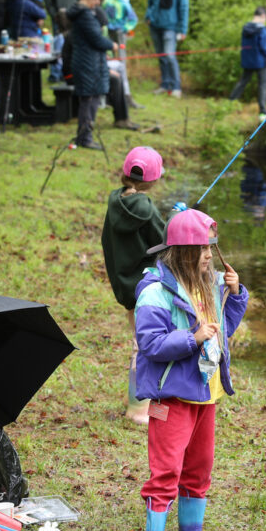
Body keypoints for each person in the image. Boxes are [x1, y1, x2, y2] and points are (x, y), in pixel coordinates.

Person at [133, 208, 249, 531]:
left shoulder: (209, 285)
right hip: (172, 397)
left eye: (211, 249)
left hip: (206, 393)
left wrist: (236, 295)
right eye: (203, 250)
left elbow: (222, 332)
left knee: (199, 467)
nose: (210, 256)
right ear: (183, 252)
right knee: (166, 469)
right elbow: (150, 344)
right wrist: (191, 337)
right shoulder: (155, 292)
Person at [101, 147, 168, 424]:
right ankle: (139, 410)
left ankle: (142, 403)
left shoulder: (116, 203)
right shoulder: (147, 209)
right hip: (147, 287)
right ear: (152, 180)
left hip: (127, 287)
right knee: (144, 345)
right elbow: (166, 241)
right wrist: (179, 222)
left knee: (140, 341)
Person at [67, 0, 114, 149]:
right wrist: (111, 44)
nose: (99, 3)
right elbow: (96, 39)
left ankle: (84, 135)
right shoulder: (84, 15)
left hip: (91, 61)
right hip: (87, 62)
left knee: (91, 97)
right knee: (89, 99)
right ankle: (84, 138)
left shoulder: (86, 12)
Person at [146, 0, 189, 98]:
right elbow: (151, 3)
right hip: (155, 26)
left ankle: (176, 87)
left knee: (170, 56)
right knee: (161, 57)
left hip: (171, 27)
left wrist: (183, 29)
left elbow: (184, 7)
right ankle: (165, 84)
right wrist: (148, 16)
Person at [103, 0, 141, 109]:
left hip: (119, 35)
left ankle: (126, 96)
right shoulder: (107, 1)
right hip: (107, 34)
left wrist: (124, 29)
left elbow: (133, 19)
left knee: (121, 64)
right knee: (108, 62)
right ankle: (108, 96)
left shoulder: (125, 3)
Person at [229, 6, 266, 119]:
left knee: (243, 81)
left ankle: (230, 103)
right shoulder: (263, 30)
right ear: (263, 16)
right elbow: (265, 47)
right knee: (262, 85)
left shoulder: (246, 28)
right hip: (261, 62)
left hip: (248, 61)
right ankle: (262, 111)